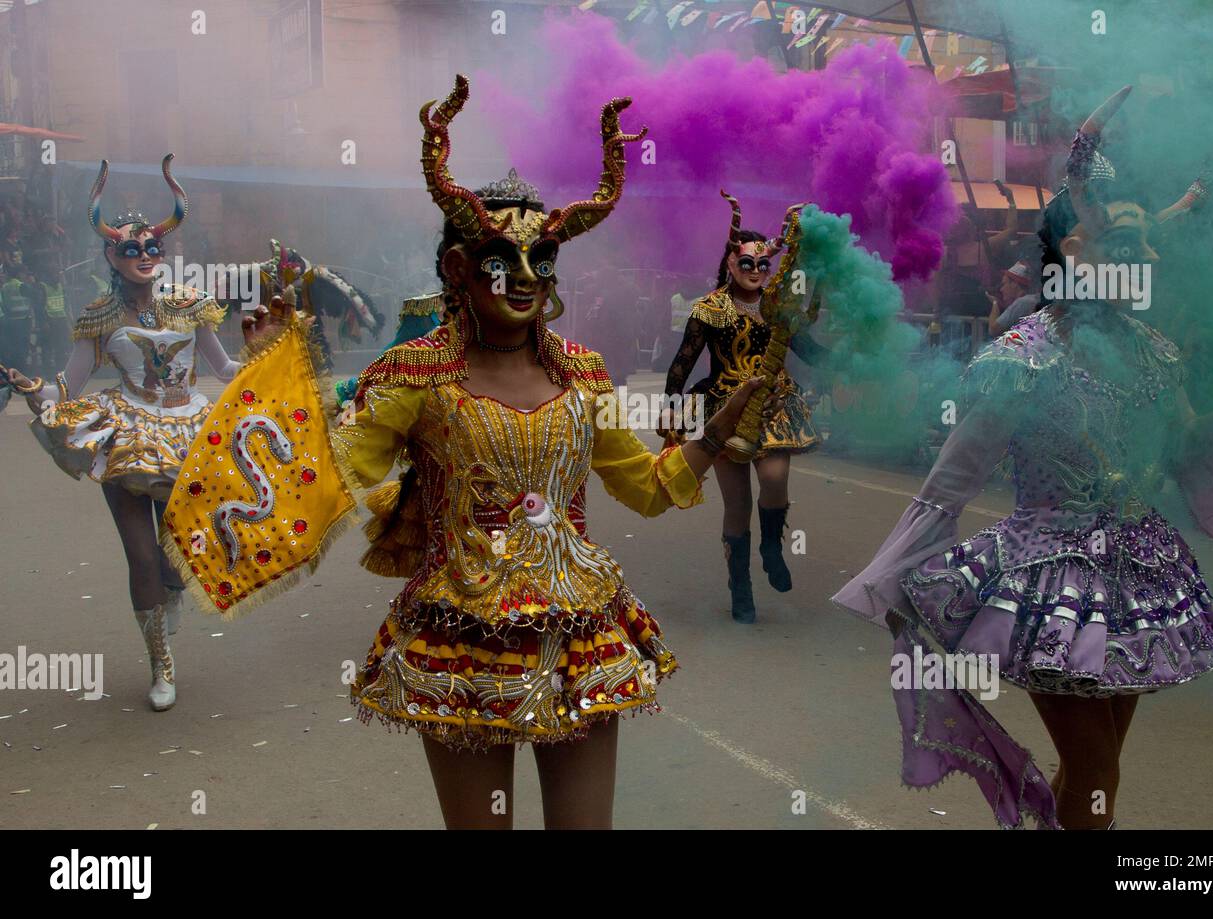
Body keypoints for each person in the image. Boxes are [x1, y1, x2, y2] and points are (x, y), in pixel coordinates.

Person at [172, 77, 773, 829]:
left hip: (577, 636)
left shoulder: (582, 372)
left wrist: (714, 438)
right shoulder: (417, 373)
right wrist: (273, 379)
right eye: (500, 261)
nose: (523, 278)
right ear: (460, 270)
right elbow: (331, 476)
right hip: (459, 643)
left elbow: (648, 489)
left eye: (541, 259)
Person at [833, 88, 1213, 829]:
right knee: (1094, 767)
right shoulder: (1021, 358)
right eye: (1130, 247)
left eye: (1148, 247)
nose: (1147, 260)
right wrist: (896, 575)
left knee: (1098, 769)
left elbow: (1192, 456)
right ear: (1078, 254)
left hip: (1139, 574)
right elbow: (952, 480)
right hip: (1050, 583)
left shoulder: (1156, 354)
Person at [2, 156, 287, 713]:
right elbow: (67, 386)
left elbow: (224, 370)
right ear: (111, 255)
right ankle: (162, 664)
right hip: (128, 433)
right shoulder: (99, 315)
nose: (145, 257)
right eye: (131, 249)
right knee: (140, 557)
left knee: (175, 552)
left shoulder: (188, 305)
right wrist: (34, 389)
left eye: (152, 248)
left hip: (189, 431)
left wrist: (261, 353)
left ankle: (174, 587)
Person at [660, 191, 827, 623]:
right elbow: (683, 362)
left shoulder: (779, 307)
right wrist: (671, 408)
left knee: (774, 479)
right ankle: (741, 586)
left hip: (774, 406)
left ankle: (772, 548)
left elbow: (809, 350)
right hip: (724, 408)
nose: (755, 271)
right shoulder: (709, 309)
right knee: (737, 503)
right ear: (730, 264)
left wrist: (850, 366)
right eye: (746, 263)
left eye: (762, 264)